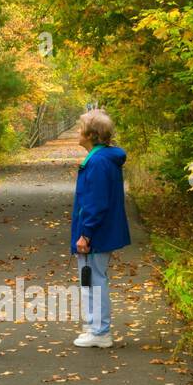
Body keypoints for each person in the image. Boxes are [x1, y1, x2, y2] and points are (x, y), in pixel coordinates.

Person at [71, 109, 130, 348]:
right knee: (92, 279)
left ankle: (100, 331)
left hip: (96, 232)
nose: (78, 132)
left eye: (80, 127)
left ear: (91, 134)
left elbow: (95, 202)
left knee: (94, 279)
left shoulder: (97, 162)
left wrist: (86, 233)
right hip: (100, 229)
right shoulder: (104, 158)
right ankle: (94, 326)